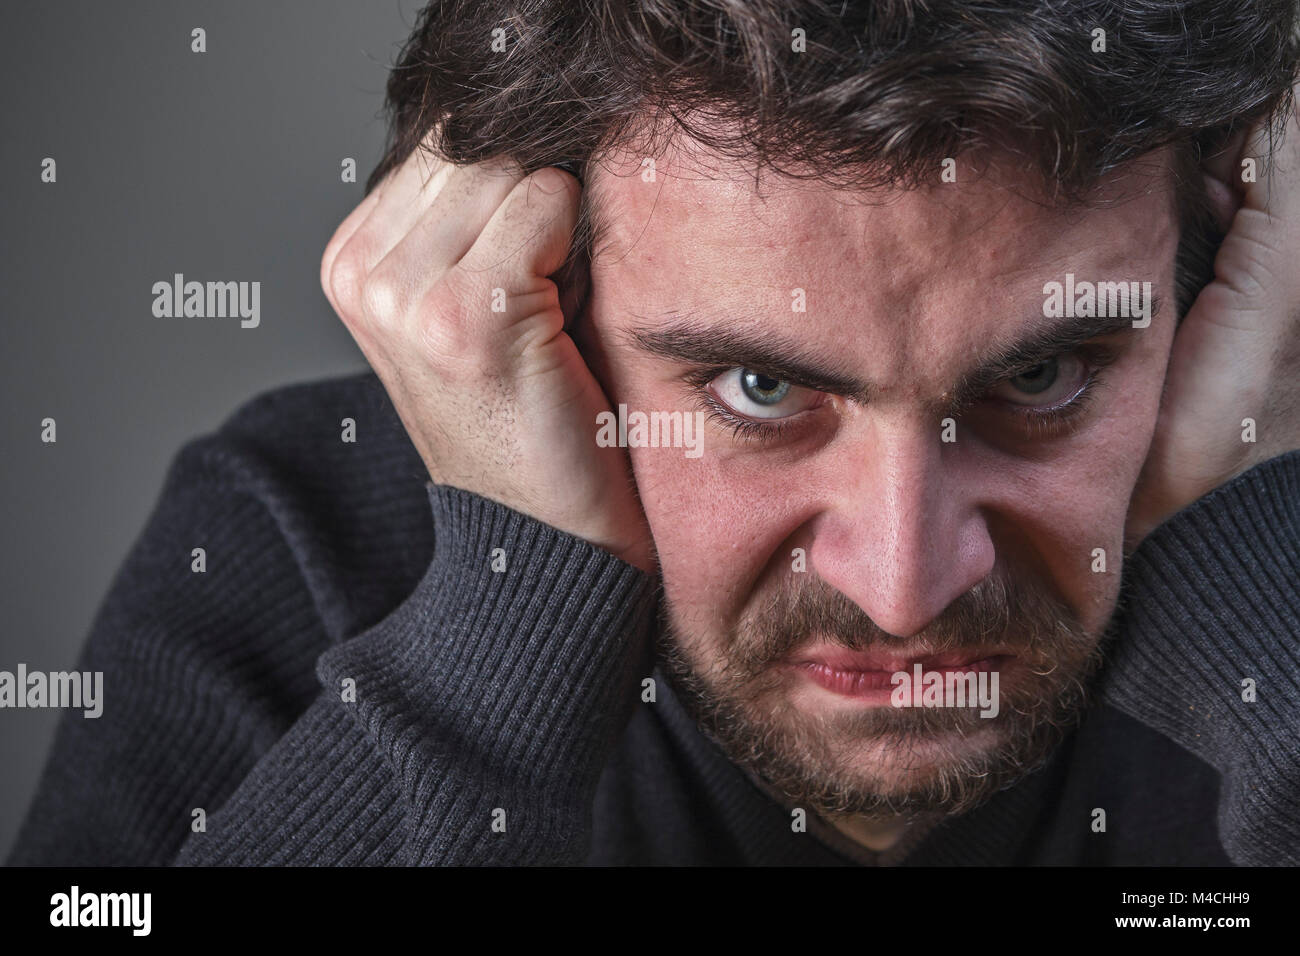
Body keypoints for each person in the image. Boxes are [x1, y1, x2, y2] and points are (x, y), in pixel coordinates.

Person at [9, 0, 1300, 866]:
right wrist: (495, 641)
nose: (902, 588)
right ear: (543, 309)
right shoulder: (298, 538)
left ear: (1227, 280)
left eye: (1041, 373)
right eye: (757, 390)